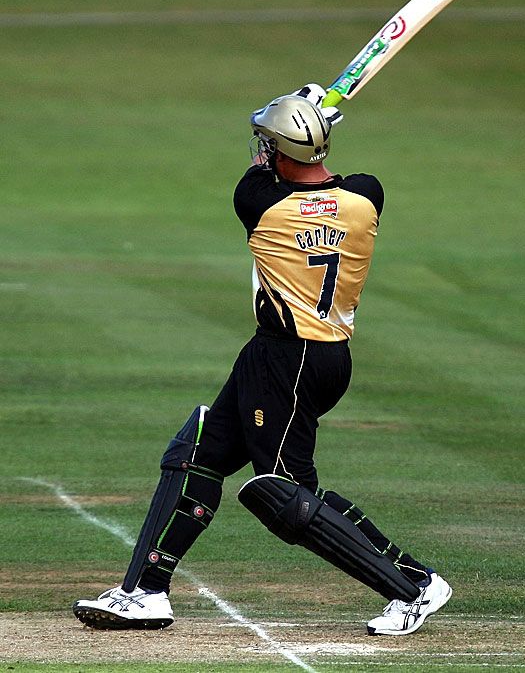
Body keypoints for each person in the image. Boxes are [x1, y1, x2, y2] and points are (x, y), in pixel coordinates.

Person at [72, 85, 452, 636]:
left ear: (278, 151)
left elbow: (263, 173)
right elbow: (320, 178)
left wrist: (302, 108)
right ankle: (146, 592)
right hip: (305, 355)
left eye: (268, 145)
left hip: (290, 361)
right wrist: (311, 123)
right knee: (197, 454)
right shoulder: (367, 196)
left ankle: (412, 585)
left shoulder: (259, 203)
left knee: (284, 492)